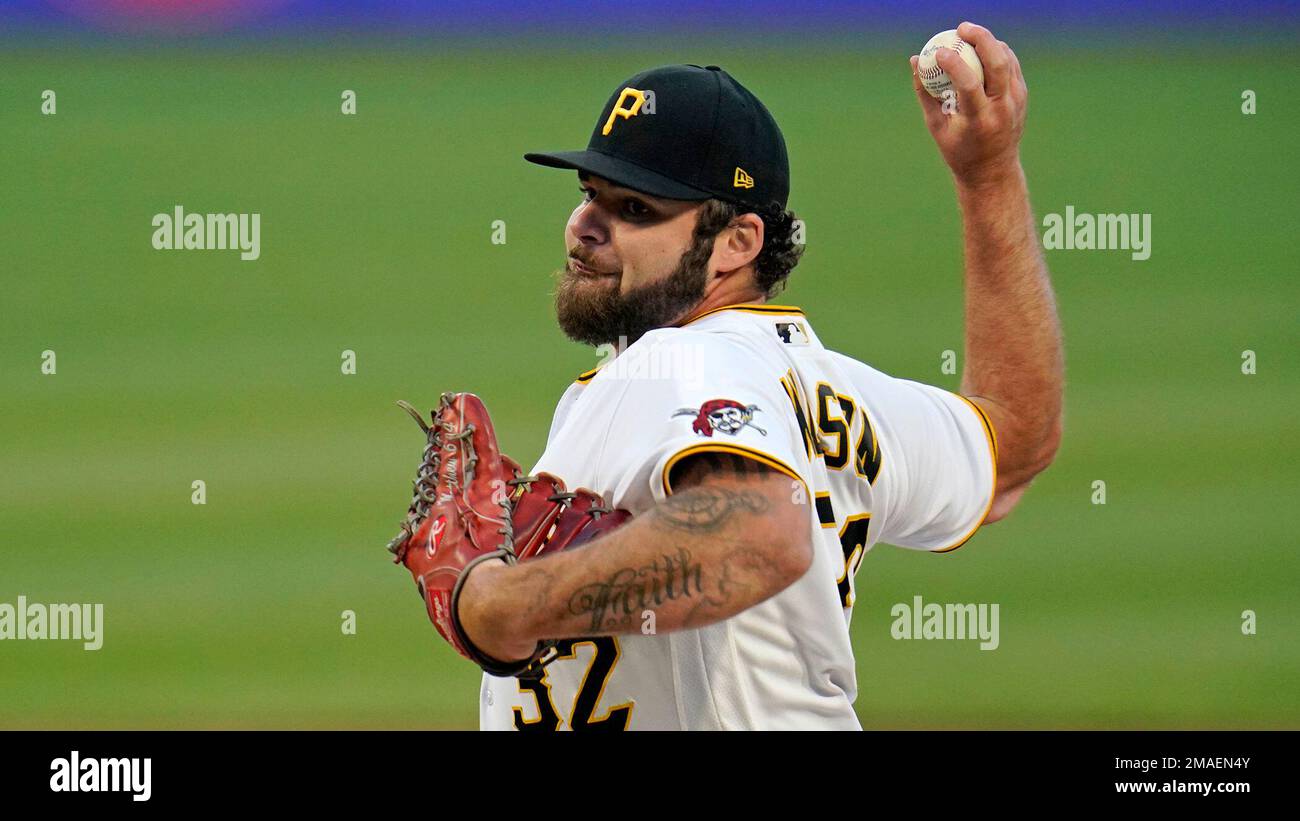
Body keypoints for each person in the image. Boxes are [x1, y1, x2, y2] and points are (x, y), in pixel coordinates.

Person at [460, 23, 1063, 730]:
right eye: (589, 192)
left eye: (634, 209)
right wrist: (988, 175)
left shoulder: (685, 362)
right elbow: (1012, 441)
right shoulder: (826, 387)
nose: (585, 227)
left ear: (737, 242)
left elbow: (760, 533)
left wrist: (500, 605)